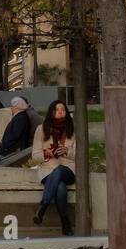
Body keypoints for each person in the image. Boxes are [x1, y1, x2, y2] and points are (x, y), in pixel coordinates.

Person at [32, 100, 77, 235]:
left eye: (63, 109)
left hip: (68, 169)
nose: (60, 112)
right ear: (51, 112)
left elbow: (80, 155)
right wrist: (48, 153)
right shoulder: (41, 129)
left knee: (59, 171)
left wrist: (66, 151)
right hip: (47, 170)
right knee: (60, 188)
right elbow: (35, 155)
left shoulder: (73, 130)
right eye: (57, 110)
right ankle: (65, 223)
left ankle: (43, 206)